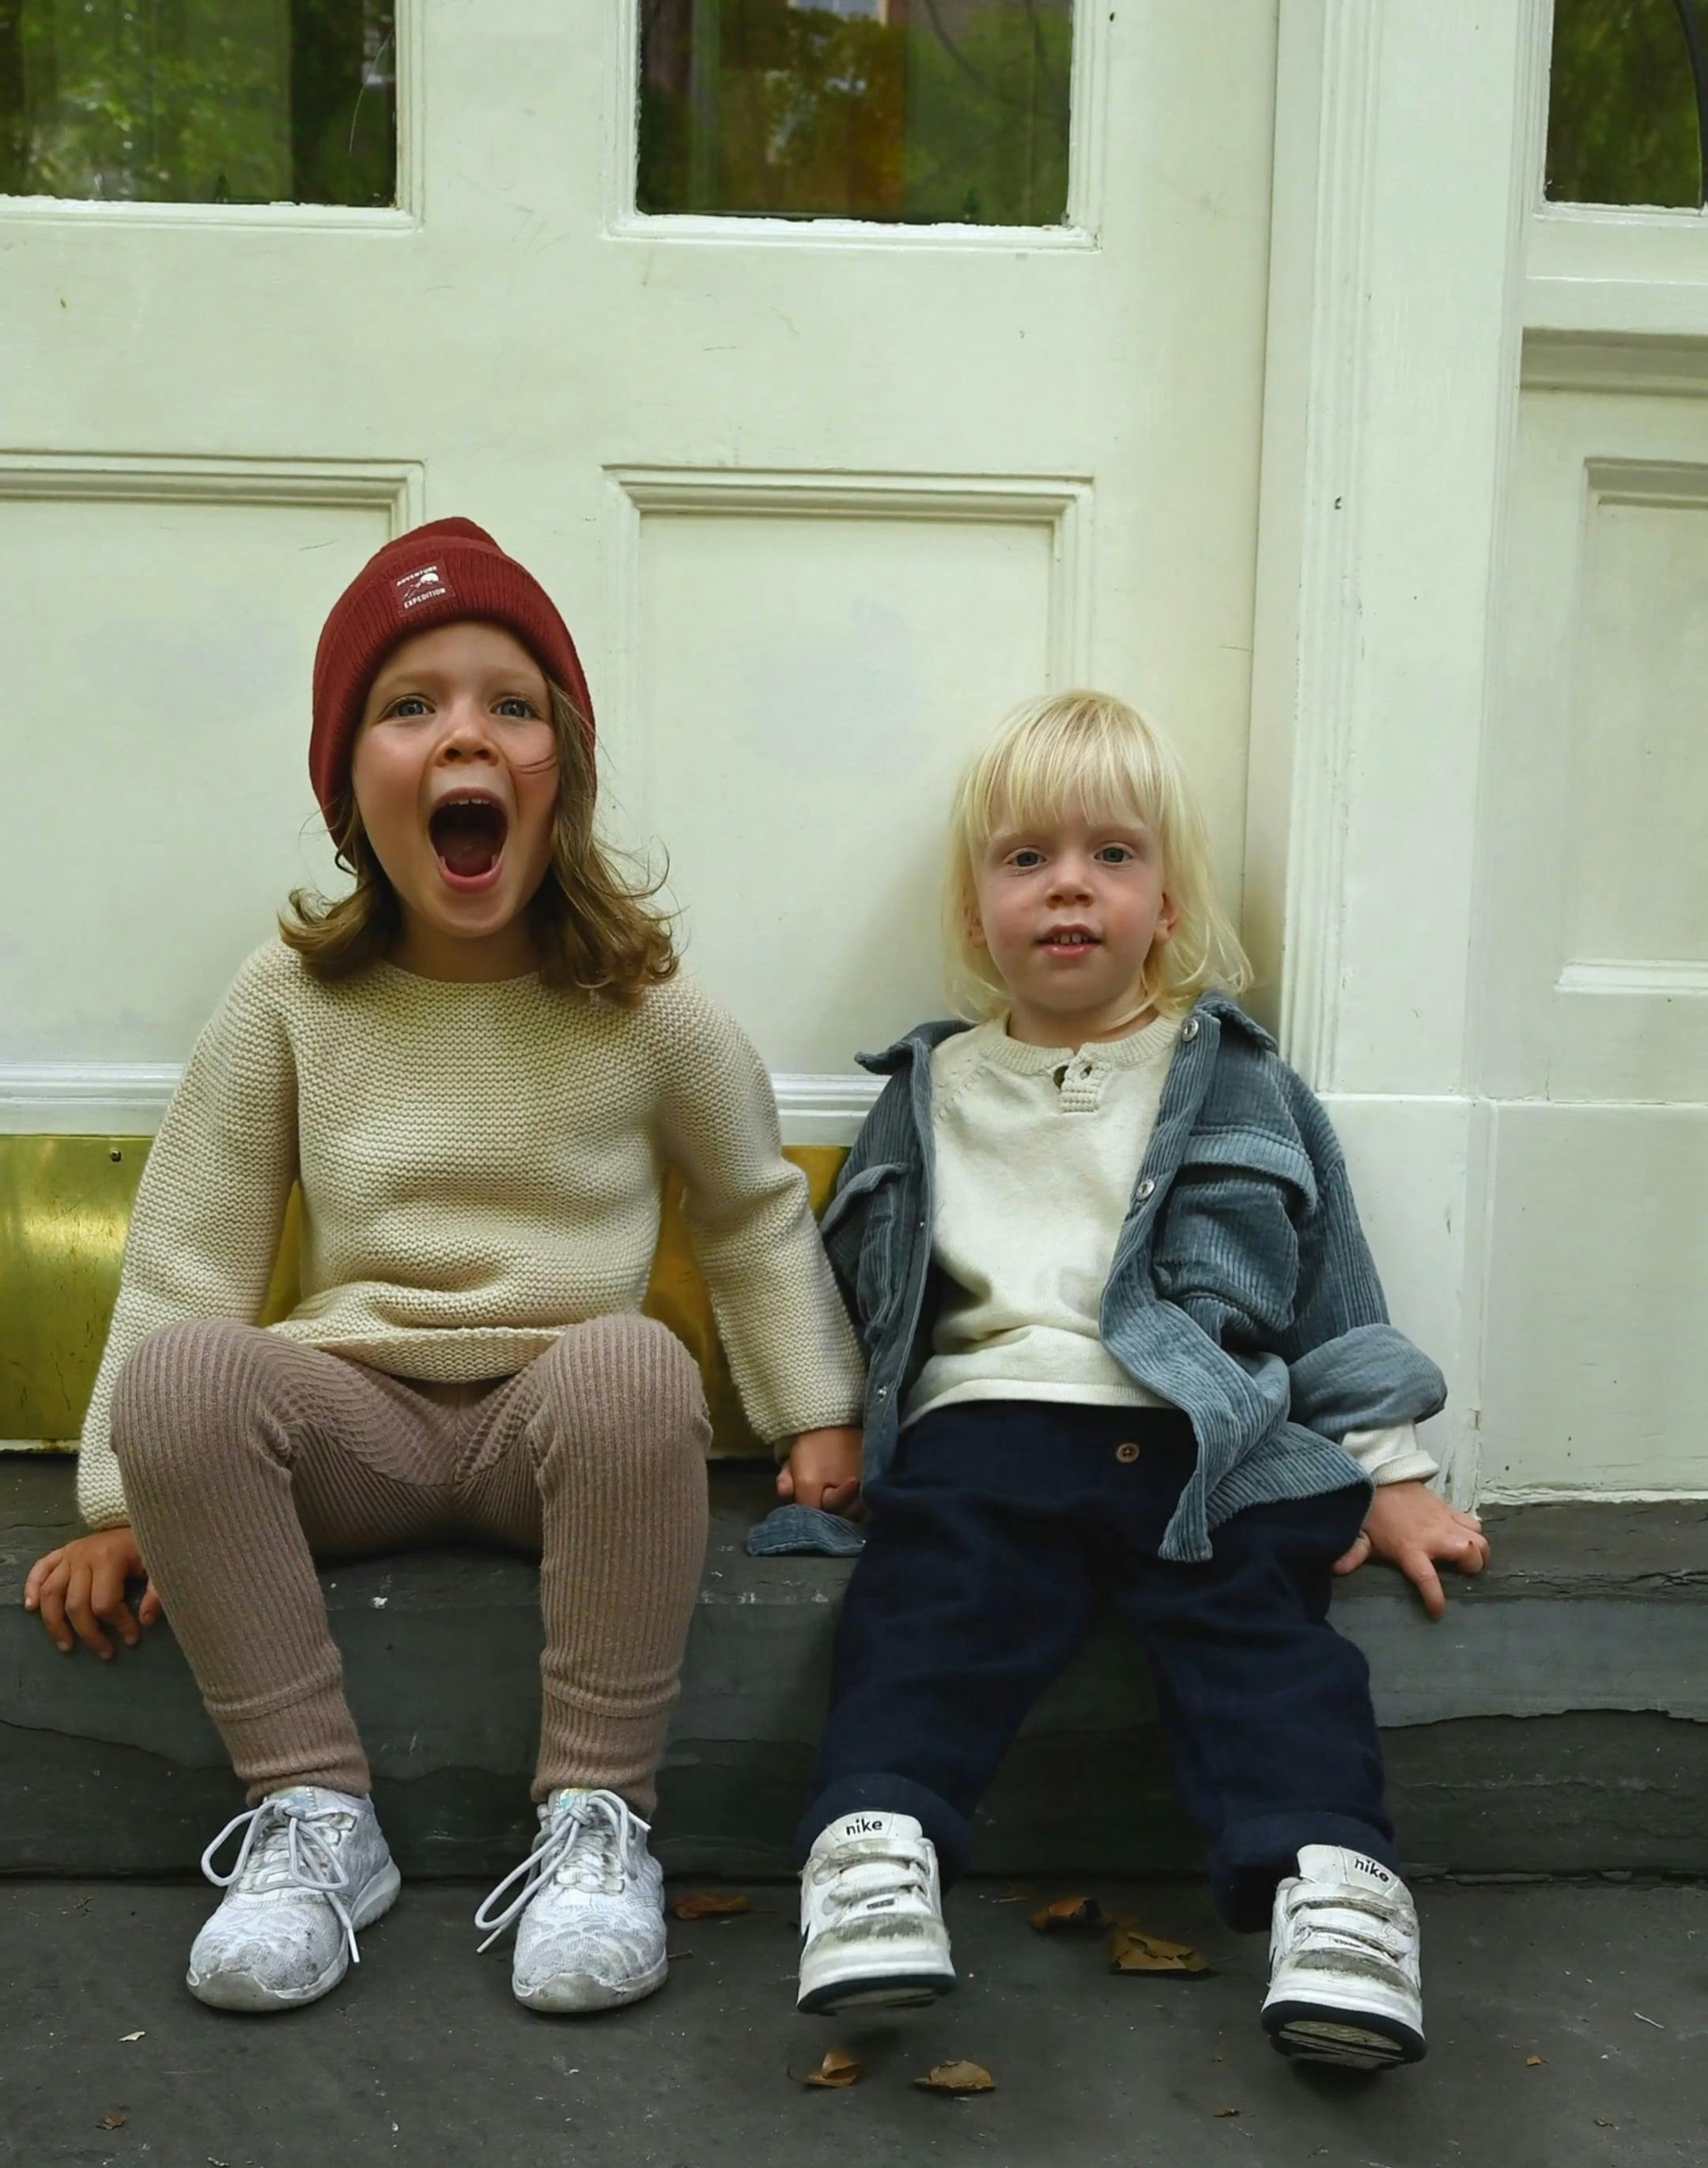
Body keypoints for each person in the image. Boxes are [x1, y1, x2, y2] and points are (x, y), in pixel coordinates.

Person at [25, 519, 863, 2019]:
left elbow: (749, 1208)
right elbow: (192, 1245)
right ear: (351, 785)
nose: (465, 734)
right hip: (354, 1430)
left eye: (510, 705)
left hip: (562, 1437)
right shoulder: (292, 998)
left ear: (563, 776)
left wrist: (815, 1410)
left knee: (635, 1365)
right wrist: (119, 1506)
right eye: (411, 706)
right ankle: (311, 1819)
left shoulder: (645, 1007)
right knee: (185, 1377)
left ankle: (596, 1823)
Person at [792, 689, 1487, 2068]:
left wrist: (1389, 1473)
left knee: (1264, 1643)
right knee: (930, 1612)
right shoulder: (930, 1092)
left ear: (1166, 902)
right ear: (977, 904)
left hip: (1205, 1443)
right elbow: (850, 1278)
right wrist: (827, 1420)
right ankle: (874, 1848)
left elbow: (1331, 1286)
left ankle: (1335, 1893)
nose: (1070, 886)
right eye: (1027, 857)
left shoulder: (1241, 1082)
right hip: (990, 1436)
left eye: (1112, 855)